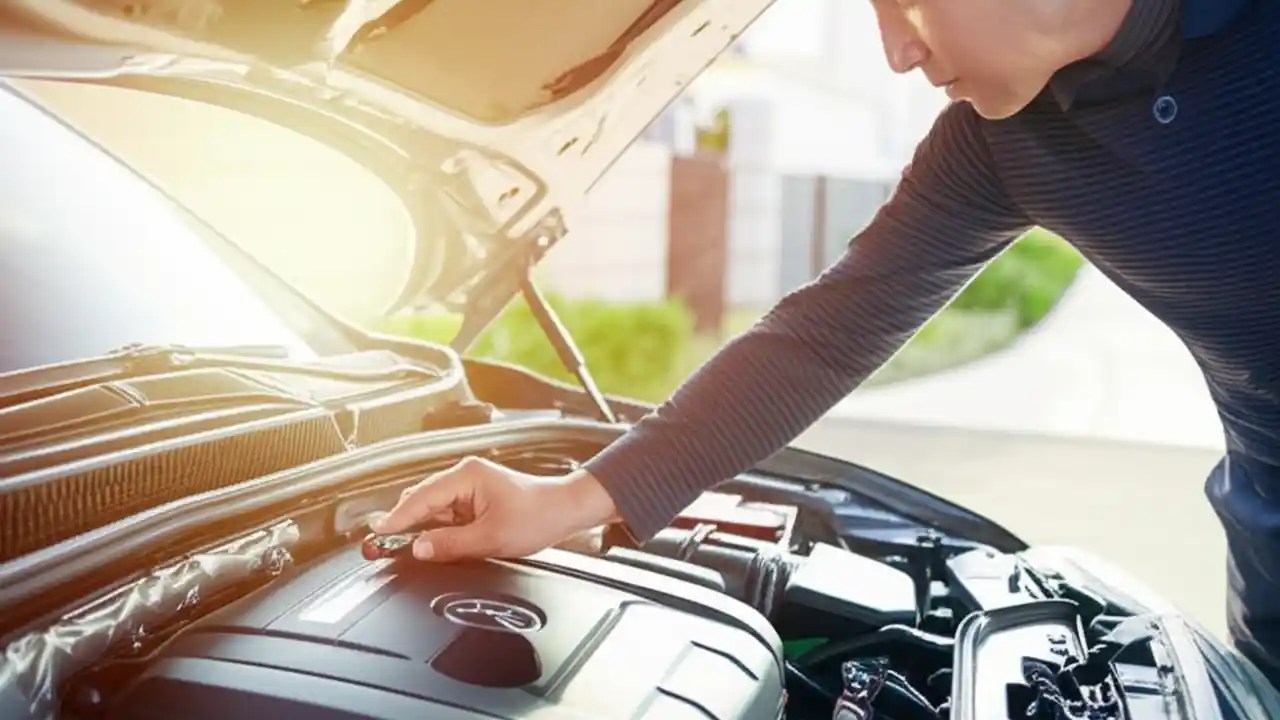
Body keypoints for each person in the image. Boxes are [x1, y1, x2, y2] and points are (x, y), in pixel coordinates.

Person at [373, 0, 1280, 686]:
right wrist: (571, 499)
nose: (897, 52)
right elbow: (822, 336)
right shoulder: (1005, 144)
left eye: (904, 1)